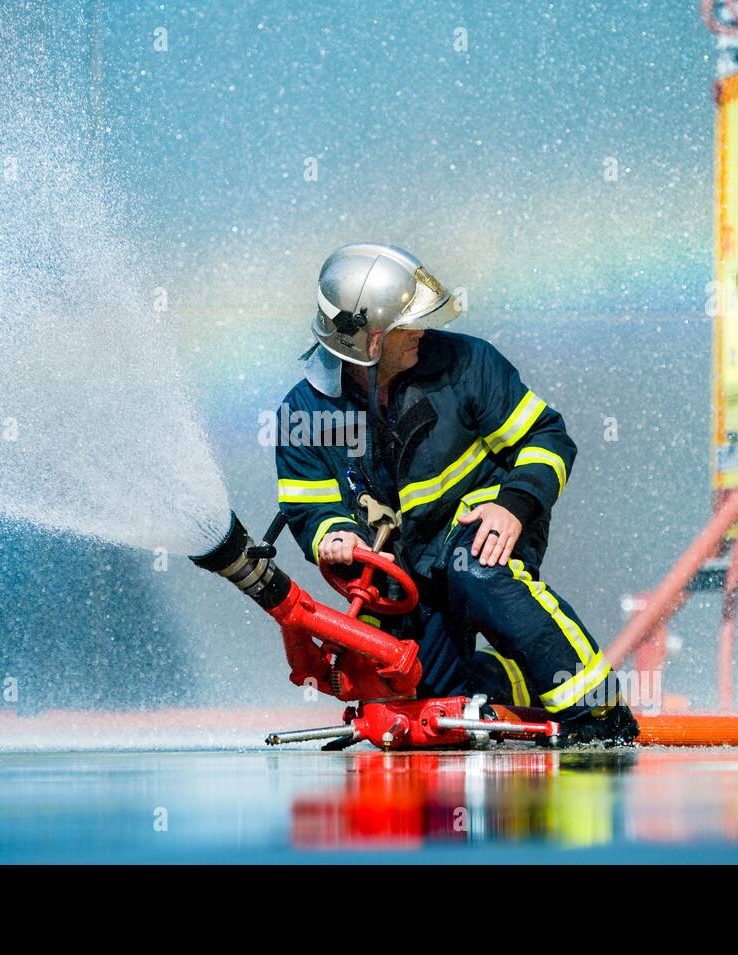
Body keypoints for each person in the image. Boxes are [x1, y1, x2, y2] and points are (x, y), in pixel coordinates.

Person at [273, 242, 638, 746]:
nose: (424, 330)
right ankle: (508, 688)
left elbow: (547, 438)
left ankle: (600, 715)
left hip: (483, 527)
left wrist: (513, 506)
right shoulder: (306, 413)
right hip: (402, 571)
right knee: (424, 692)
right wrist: (332, 535)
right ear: (369, 343)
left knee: (478, 570)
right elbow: (307, 505)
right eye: (408, 325)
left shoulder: (468, 365)